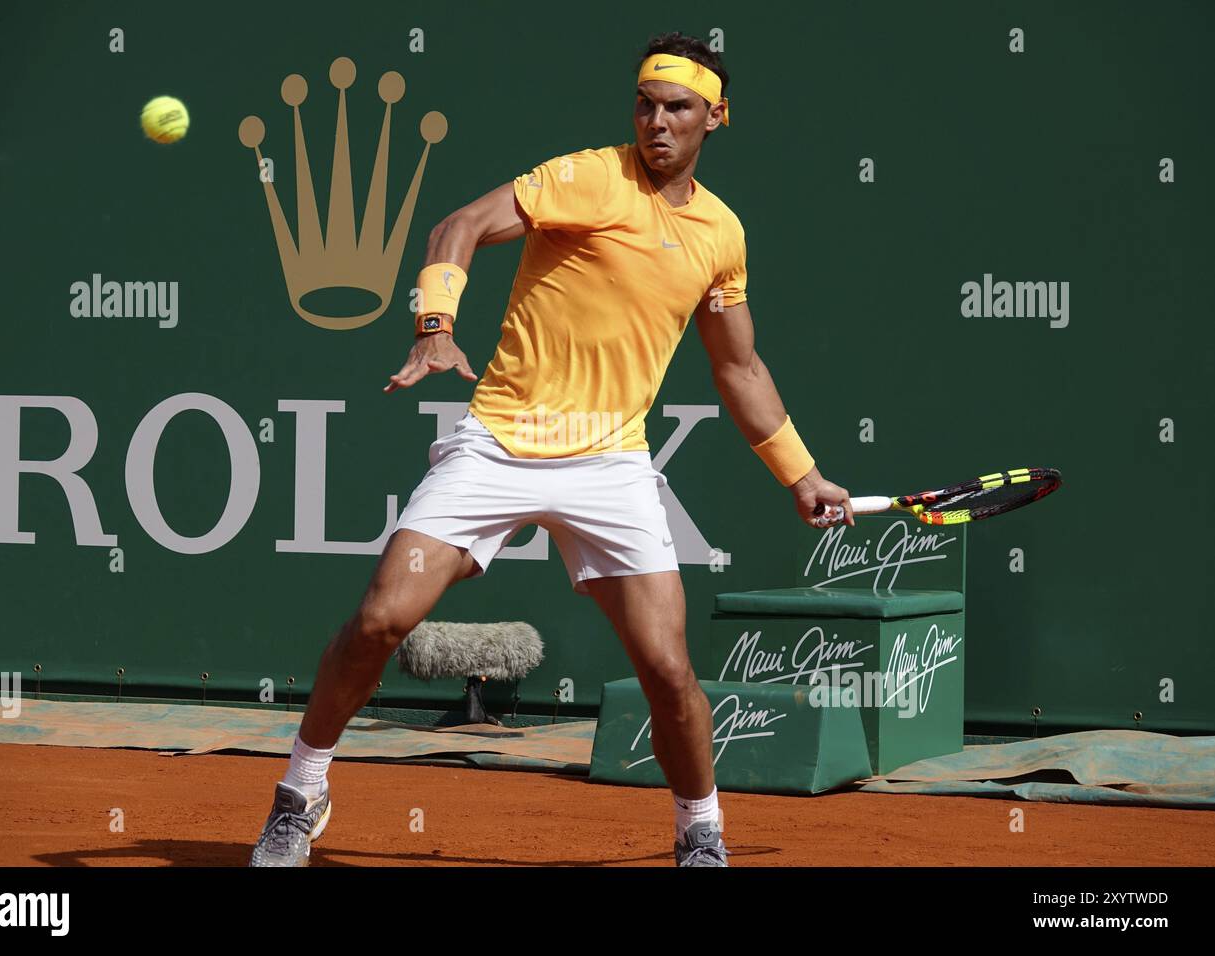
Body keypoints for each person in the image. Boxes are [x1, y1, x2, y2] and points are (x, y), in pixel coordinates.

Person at [249, 31, 855, 868]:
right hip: (499, 440)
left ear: (716, 117)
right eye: (644, 104)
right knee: (382, 618)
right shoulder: (585, 176)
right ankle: (300, 792)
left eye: (677, 107)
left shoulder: (722, 233)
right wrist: (435, 329)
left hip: (610, 465)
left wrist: (802, 473)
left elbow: (739, 367)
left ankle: (700, 831)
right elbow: (458, 225)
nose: (655, 121)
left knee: (668, 671)